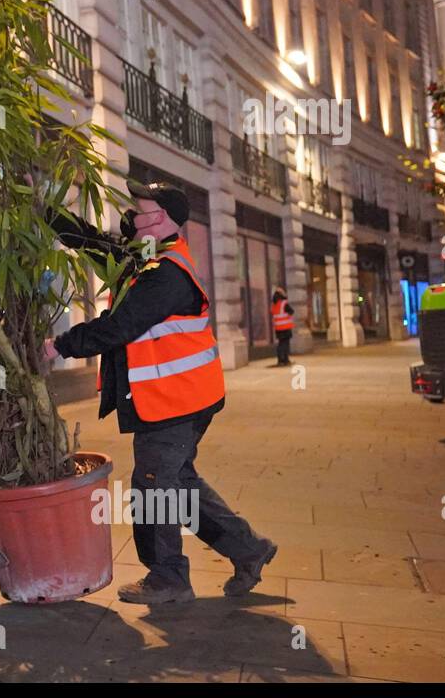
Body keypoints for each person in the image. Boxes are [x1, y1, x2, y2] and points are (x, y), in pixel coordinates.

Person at [44, 179, 277, 604]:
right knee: (177, 484)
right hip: (179, 397)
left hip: (177, 402)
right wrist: (46, 214)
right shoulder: (146, 259)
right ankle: (249, 549)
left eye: (141, 212)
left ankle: (168, 578)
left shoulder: (168, 274)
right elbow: (96, 245)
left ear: (164, 220)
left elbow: (119, 327)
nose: (131, 217)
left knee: (153, 487)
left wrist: (58, 345)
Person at [271, 286, 295, 366]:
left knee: (280, 344)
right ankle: (285, 360)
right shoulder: (284, 303)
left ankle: (280, 360)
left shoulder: (274, 305)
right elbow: (291, 311)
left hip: (278, 328)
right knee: (285, 344)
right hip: (285, 327)